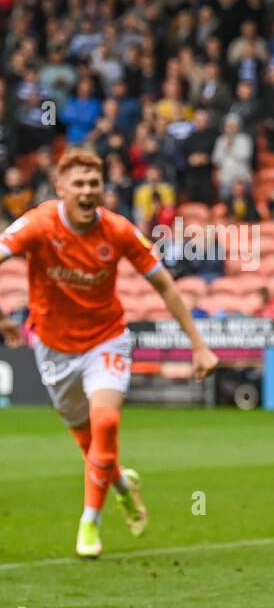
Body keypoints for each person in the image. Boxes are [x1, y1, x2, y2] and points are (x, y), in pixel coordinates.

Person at [0, 148, 218, 558]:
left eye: (93, 184)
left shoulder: (118, 231)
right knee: (88, 443)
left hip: (106, 339)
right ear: (61, 188)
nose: (86, 191)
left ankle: (89, 523)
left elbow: (165, 286)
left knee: (107, 421)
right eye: (78, 184)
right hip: (53, 347)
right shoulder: (39, 223)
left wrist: (199, 345)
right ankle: (121, 484)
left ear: (103, 189)